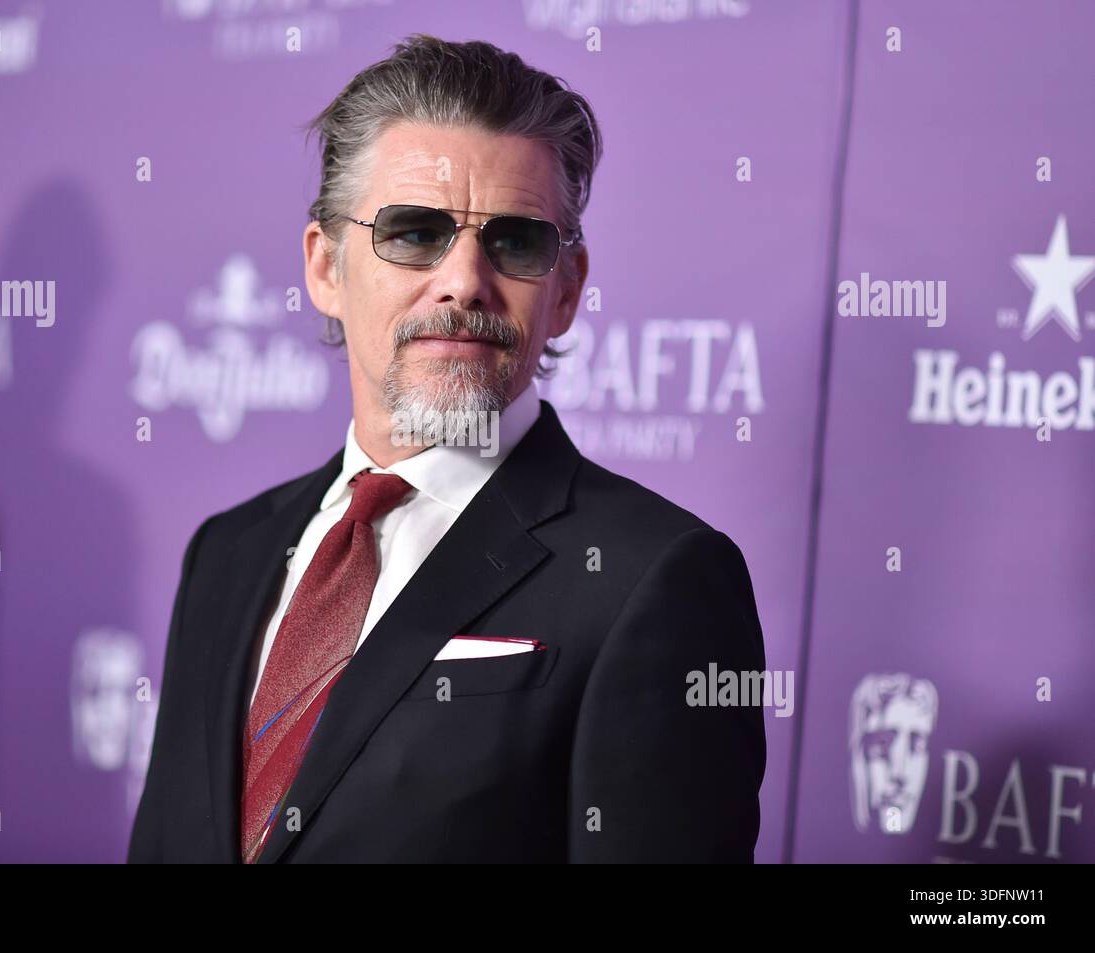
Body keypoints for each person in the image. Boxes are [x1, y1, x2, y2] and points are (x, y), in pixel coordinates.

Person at [129, 34, 766, 864]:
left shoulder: (658, 577)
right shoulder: (226, 552)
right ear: (325, 266)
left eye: (515, 242)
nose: (465, 279)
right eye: (415, 232)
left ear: (566, 290)